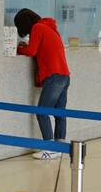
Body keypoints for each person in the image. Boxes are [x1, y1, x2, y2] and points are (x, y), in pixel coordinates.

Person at [15, 9, 70, 160]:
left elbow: (32, 51)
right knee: (60, 112)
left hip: (53, 76)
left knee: (42, 111)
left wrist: (18, 48)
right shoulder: (51, 28)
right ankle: (60, 145)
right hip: (65, 75)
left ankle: (50, 148)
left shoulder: (37, 28)